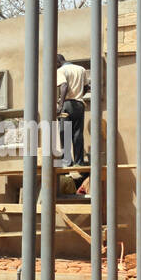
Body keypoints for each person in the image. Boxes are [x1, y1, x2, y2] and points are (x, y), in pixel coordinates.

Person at [56, 54, 89, 195]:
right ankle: (79, 162)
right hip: (79, 104)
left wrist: (60, 105)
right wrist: (79, 95)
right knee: (77, 133)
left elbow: (63, 86)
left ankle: (67, 162)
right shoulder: (81, 69)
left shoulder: (61, 71)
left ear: (58, 61)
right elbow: (87, 87)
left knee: (64, 133)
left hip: (67, 104)